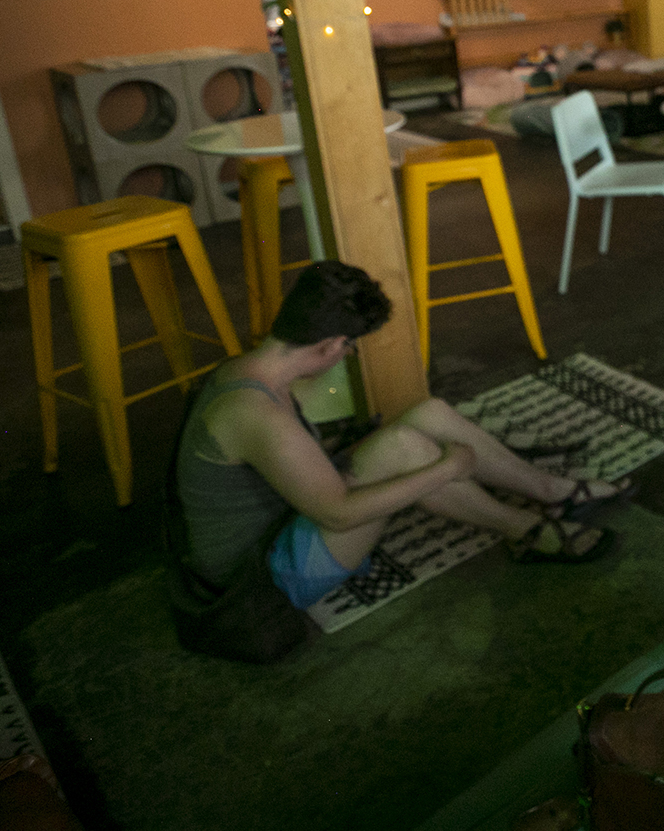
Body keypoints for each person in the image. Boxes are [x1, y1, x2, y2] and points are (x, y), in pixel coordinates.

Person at [176, 261, 623, 610]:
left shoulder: (251, 370)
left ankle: (551, 491)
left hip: (281, 515)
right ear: (330, 344)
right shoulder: (254, 412)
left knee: (430, 413)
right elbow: (339, 515)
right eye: (349, 346)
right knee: (404, 449)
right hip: (259, 575)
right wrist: (446, 468)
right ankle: (524, 530)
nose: (345, 356)